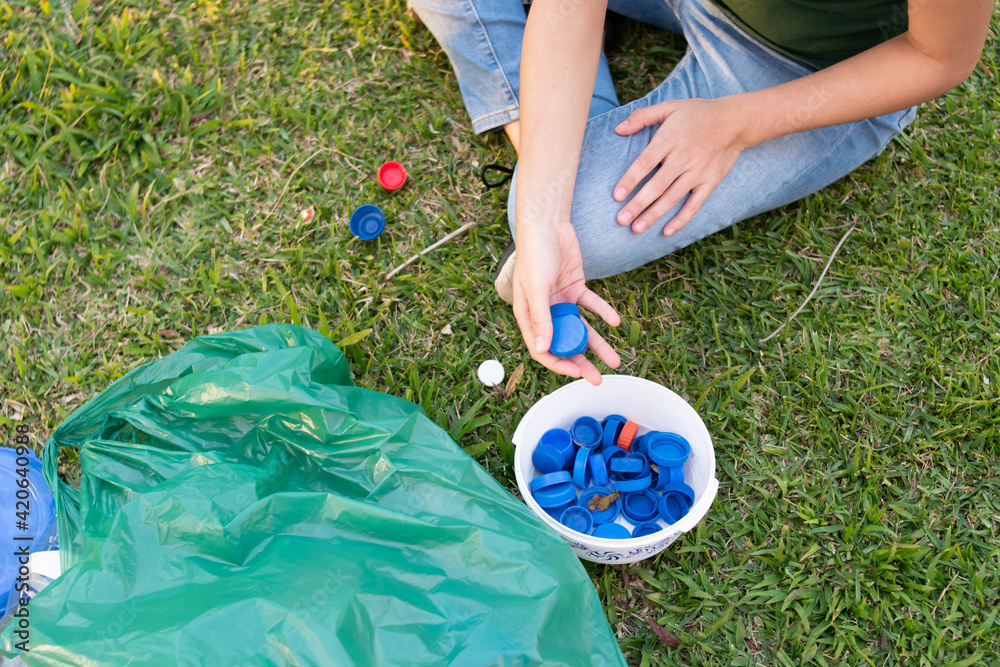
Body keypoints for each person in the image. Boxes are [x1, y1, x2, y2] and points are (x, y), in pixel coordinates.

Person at [407, 0, 992, 386]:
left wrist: (739, 123)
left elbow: (938, 56)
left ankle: (570, 125)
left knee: (580, 222)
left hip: (804, 67)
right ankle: (575, 126)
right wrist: (540, 215)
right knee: (541, 211)